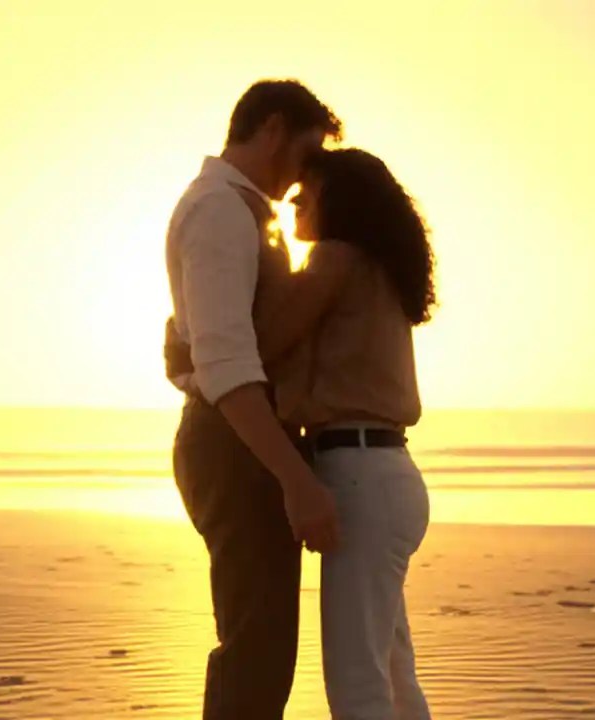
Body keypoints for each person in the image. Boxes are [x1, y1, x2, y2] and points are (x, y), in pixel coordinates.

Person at [169, 148, 437, 719]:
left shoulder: (334, 261)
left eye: (303, 195)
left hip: (360, 474)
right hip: (389, 474)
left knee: (357, 680)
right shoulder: (375, 266)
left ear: (335, 201)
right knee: (391, 668)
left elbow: (257, 345)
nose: (290, 204)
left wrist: (187, 345)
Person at [163, 79, 344, 720]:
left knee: (259, 652)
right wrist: (296, 479)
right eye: (305, 152)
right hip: (233, 442)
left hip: (238, 437)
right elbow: (227, 367)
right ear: (271, 129)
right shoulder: (218, 210)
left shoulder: (239, 211)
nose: (303, 177)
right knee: (257, 653)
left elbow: (221, 345)